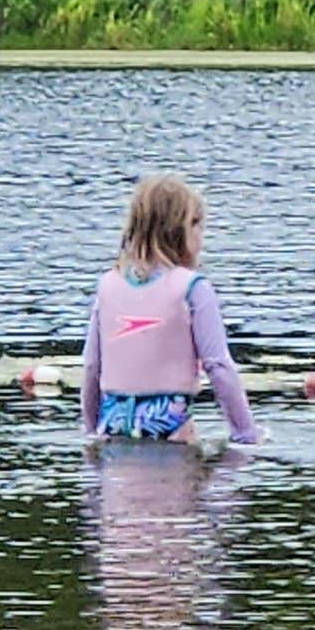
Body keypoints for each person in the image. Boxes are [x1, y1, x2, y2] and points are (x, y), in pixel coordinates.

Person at [80, 171, 262, 447]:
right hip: (170, 422)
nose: (201, 237)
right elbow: (218, 366)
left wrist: (90, 431)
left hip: (113, 421)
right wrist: (246, 434)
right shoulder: (193, 288)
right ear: (179, 230)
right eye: (197, 225)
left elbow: (92, 366)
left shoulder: (108, 285)